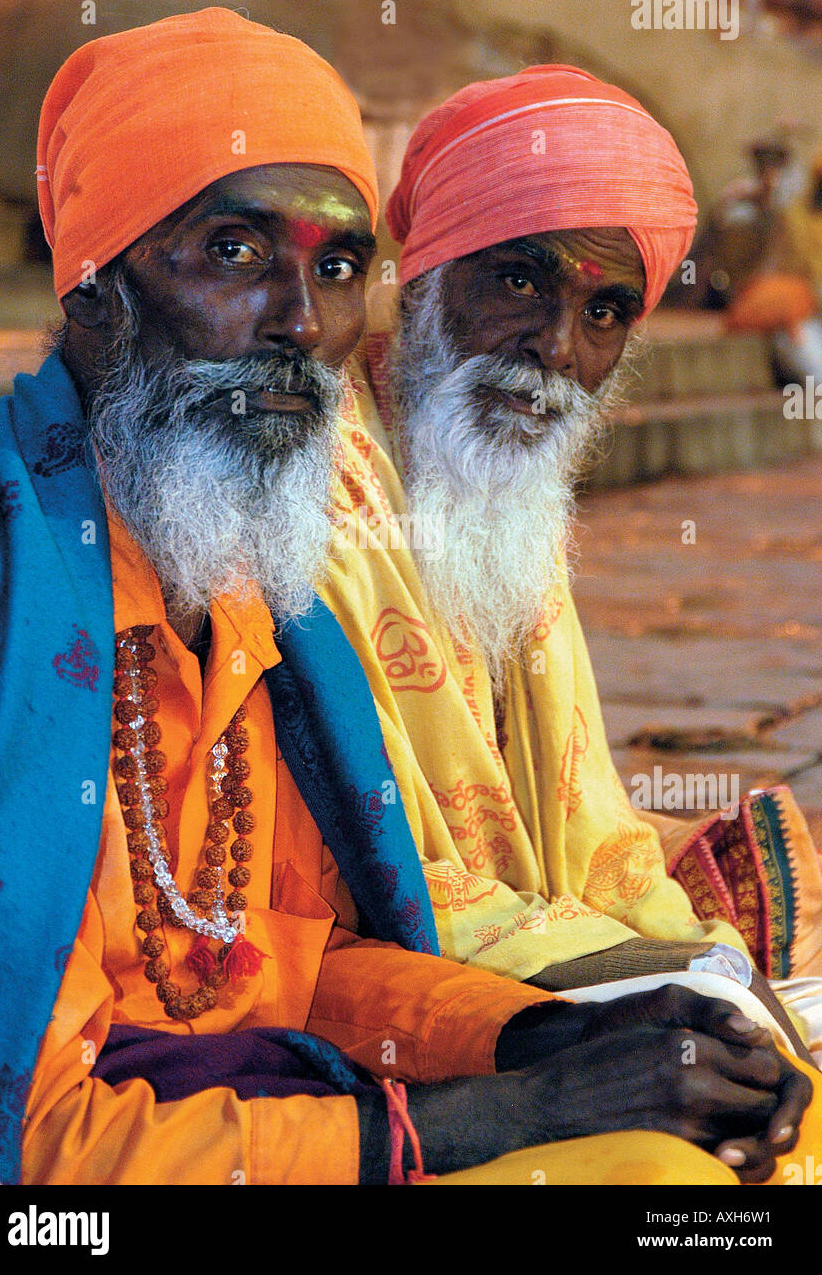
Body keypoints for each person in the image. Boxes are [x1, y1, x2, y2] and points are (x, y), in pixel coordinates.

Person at [0, 13, 817, 1189]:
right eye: (232, 253)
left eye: (335, 266)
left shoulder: (244, 585)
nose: (301, 325)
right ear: (96, 289)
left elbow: (285, 959)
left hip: (252, 1105)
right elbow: (27, 1148)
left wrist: (544, 1036)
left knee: (728, 1147)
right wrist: (492, 1118)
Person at [312, 65, 822, 1053]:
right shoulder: (323, 489)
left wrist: (701, 965)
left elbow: (591, 839)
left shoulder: (502, 484)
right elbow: (398, 890)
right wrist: (687, 986)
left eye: (602, 315)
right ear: (422, 278)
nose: (555, 347)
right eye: (519, 280)